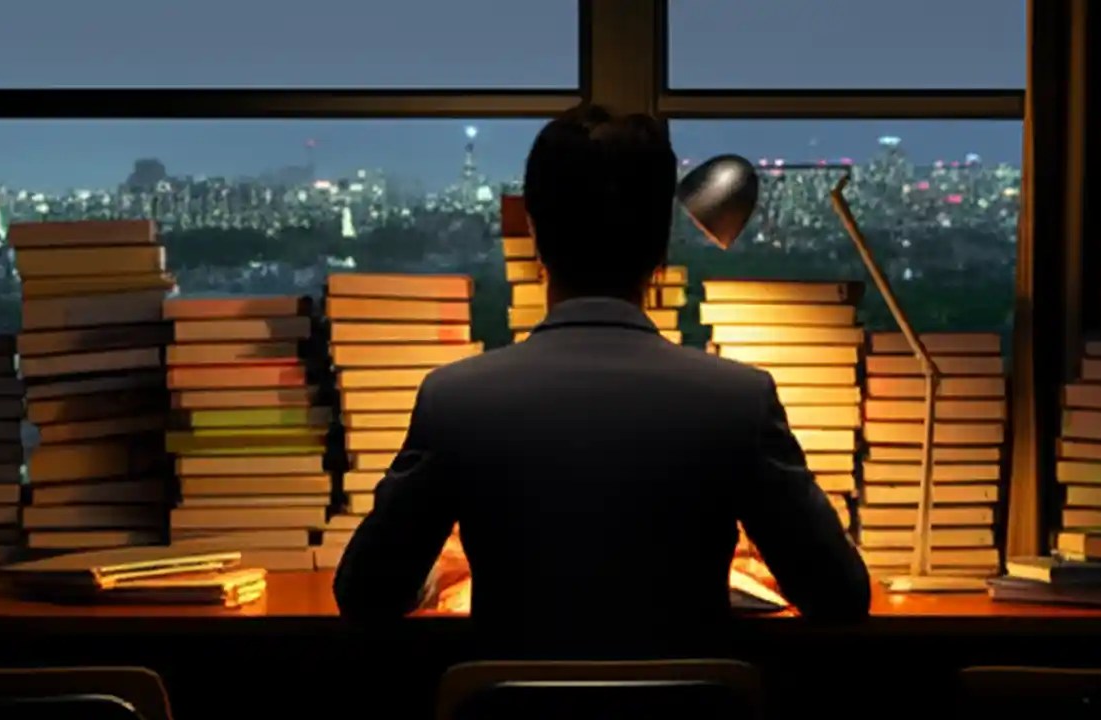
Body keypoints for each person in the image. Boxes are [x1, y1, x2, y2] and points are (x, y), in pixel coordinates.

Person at [333, 103, 870, 657]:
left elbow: (365, 595)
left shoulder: (456, 400)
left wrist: (441, 573)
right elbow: (840, 596)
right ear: (661, 247)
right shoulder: (738, 401)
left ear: (535, 235)